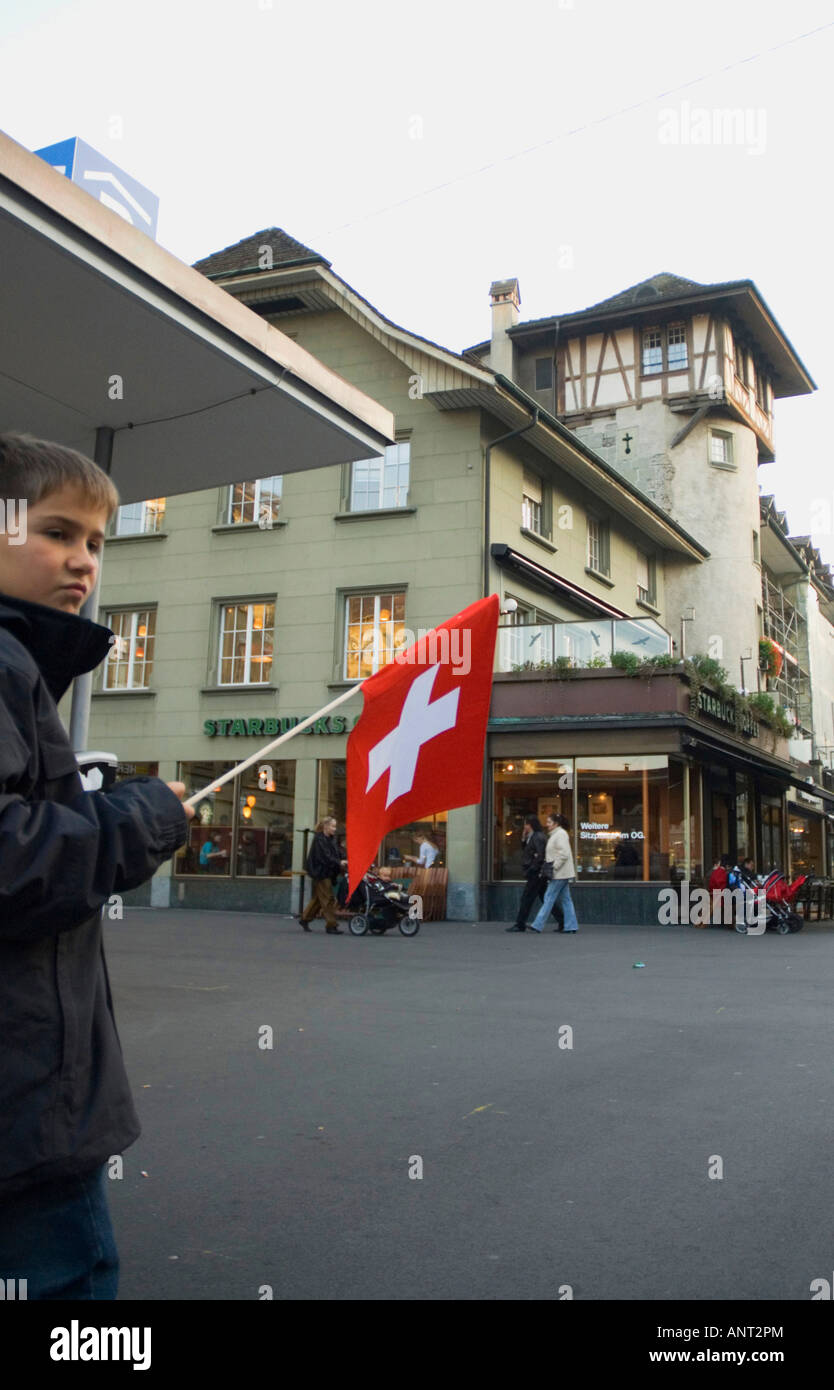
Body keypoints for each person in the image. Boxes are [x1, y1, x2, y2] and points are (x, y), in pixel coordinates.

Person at [0, 431, 193, 1301]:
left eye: (96, 542)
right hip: (24, 1112)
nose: (84, 561)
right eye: (56, 532)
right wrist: (140, 818)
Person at [506, 815, 563, 932]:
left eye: (526, 824)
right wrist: (523, 839)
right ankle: (563, 921)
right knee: (546, 898)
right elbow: (528, 851)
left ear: (530, 825)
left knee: (527, 898)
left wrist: (532, 869)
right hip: (537, 873)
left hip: (536, 874)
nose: (524, 826)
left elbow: (540, 855)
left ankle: (520, 924)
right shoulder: (533, 836)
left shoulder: (537, 837)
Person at [527, 814, 580, 934]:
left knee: (549, 897)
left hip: (559, 873)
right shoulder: (558, 834)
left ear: (556, 824)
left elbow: (564, 854)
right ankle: (571, 926)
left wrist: (553, 867)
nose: (547, 824)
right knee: (566, 899)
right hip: (563, 873)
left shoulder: (559, 834)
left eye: (549, 822)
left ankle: (538, 924)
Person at [297, 816, 347, 933]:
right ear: (326, 826)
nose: (335, 829)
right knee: (328, 898)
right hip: (320, 872)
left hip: (325, 871)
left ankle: (305, 918)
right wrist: (339, 862)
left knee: (320, 898)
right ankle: (331, 925)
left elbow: (338, 852)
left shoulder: (330, 838)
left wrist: (345, 858)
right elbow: (325, 856)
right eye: (333, 826)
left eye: (335, 826)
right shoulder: (319, 839)